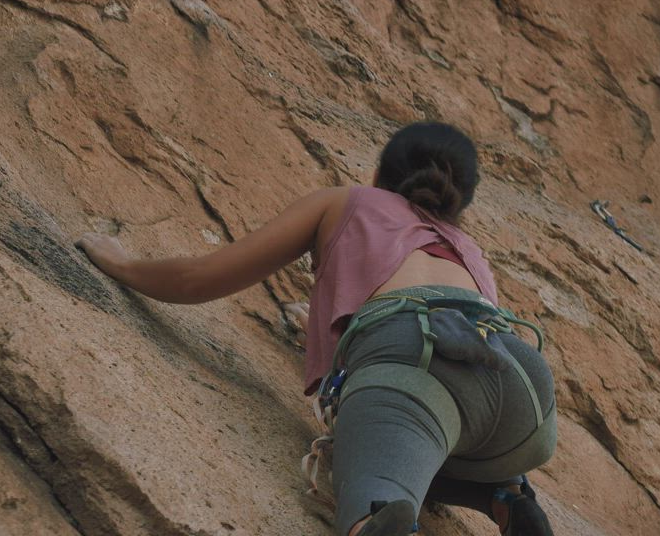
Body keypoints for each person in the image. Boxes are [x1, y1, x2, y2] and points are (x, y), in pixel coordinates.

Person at [76, 121, 556, 536]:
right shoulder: (469, 251)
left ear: (378, 175)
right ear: (462, 202)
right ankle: (504, 496)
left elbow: (201, 278)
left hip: (413, 361)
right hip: (523, 391)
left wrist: (122, 264)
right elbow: (445, 335)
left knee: (376, 475)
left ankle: (377, 515)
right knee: (433, 428)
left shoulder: (345, 201)